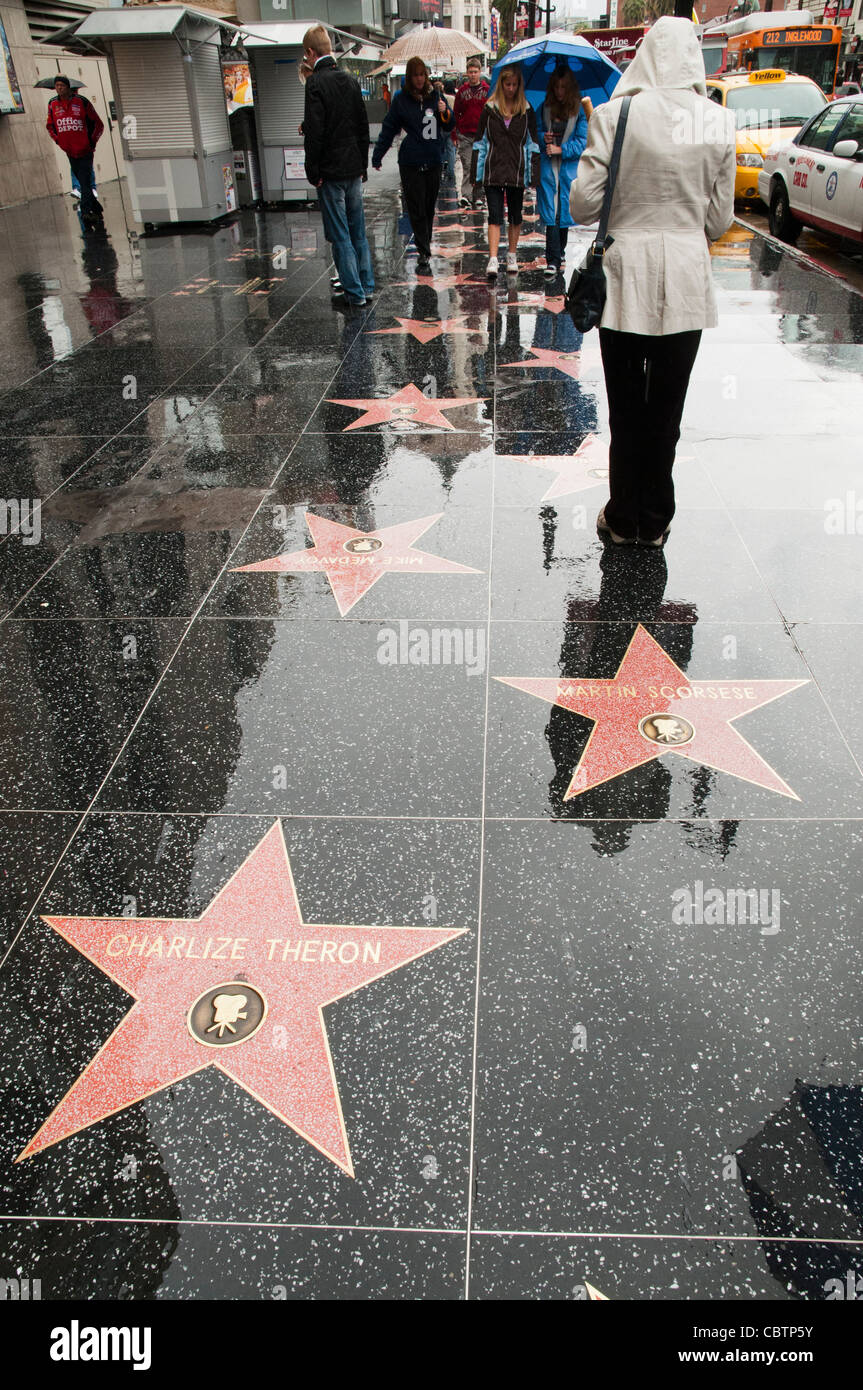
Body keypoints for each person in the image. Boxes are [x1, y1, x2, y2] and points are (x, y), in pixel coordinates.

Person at [570, 16, 735, 547]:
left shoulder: (616, 116)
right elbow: (719, 222)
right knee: (667, 409)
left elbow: (582, 205)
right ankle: (656, 518)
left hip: (623, 282)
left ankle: (622, 516)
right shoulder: (717, 122)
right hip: (686, 282)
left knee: (625, 408)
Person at [302, 24, 374, 310]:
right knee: (358, 230)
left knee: (340, 233)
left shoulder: (315, 84)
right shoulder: (350, 80)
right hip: (353, 167)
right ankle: (366, 287)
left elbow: (316, 132)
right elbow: (361, 125)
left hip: (330, 171)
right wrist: (362, 165)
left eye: (305, 55)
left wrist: (313, 171)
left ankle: (354, 292)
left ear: (310, 51)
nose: (305, 61)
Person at [372, 56, 452, 275]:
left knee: (428, 207)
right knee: (415, 208)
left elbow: (450, 123)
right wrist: (378, 155)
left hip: (433, 158)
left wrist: (444, 110)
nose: (419, 79)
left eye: (421, 74)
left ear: (426, 76)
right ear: (409, 76)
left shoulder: (436, 95)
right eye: (415, 75)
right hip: (410, 161)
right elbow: (389, 128)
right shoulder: (400, 99)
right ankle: (423, 251)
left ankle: (425, 243)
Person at [470, 65, 540, 280]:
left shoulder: (526, 110)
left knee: (516, 215)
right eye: (507, 84)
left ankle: (511, 254)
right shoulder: (489, 108)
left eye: (514, 85)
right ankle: (493, 258)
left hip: (516, 171)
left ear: (519, 86)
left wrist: (533, 174)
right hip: (493, 170)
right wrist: (476, 174)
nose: (510, 88)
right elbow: (480, 142)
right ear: (501, 85)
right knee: (494, 215)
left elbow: (532, 144)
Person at [536, 67, 589, 281]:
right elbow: (536, 132)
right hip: (549, 169)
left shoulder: (579, 111)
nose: (559, 92)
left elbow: (583, 141)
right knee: (552, 213)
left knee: (563, 214)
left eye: (563, 87)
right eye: (556, 87)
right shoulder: (544, 108)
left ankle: (559, 254)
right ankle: (553, 259)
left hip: (567, 171)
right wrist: (544, 138)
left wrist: (562, 150)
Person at [46, 77, 104, 225]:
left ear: (68, 87)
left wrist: (91, 142)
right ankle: (96, 208)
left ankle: (85, 211)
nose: (59, 88)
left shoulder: (82, 102)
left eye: (62, 85)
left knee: (84, 180)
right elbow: (50, 126)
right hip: (69, 150)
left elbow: (98, 124)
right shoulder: (52, 104)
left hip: (85, 149)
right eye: (57, 85)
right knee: (82, 179)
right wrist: (59, 141)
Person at [452, 58, 489, 208]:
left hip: (482, 134)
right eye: (471, 72)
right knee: (467, 165)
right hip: (465, 133)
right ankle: (466, 195)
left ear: (480, 72)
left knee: (480, 165)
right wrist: (454, 134)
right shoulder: (462, 91)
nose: (473, 75)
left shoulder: (487, 90)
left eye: (475, 72)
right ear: (467, 73)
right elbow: (456, 113)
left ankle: (478, 195)